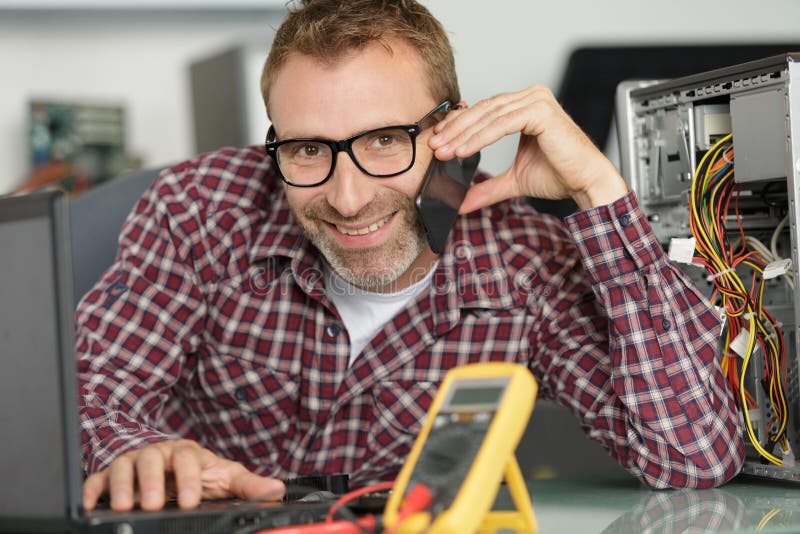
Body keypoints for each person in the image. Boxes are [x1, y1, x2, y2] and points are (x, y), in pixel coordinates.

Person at [78, 0, 744, 513]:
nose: (346, 197)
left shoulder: (527, 257)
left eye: (385, 142)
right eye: (308, 149)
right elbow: (89, 392)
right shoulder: (201, 208)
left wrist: (599, 194)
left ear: (451, 134)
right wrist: (138, 451)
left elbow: (690, 459)